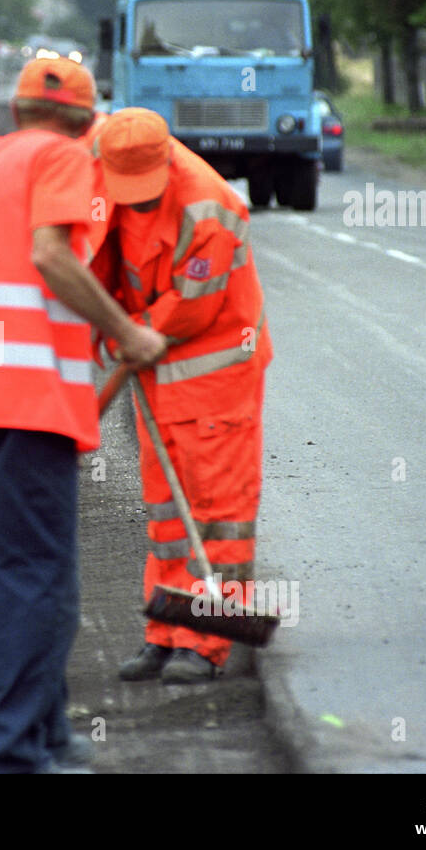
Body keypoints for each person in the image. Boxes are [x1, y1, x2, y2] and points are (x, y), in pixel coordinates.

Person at [0, 58, 167, 773]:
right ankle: (11, 753)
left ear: (20, 108)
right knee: (38, 576)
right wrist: (127, 330)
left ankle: (47, 733)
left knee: (16, 571)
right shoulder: (61, 157)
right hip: (25, 403)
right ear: (86, 122)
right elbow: (51, 257)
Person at [90, 107, 273, 683]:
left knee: (215, 514)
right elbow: (98, 260)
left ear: (167, 161)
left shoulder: (209, 206)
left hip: (213, 380)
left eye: (146, 192)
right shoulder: (109, 177)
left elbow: (189, 309)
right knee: (168, 514)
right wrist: (105, 325)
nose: (138, 202)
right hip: (153, 373)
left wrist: (129, 335)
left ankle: (208, 640)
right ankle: (164, 632)